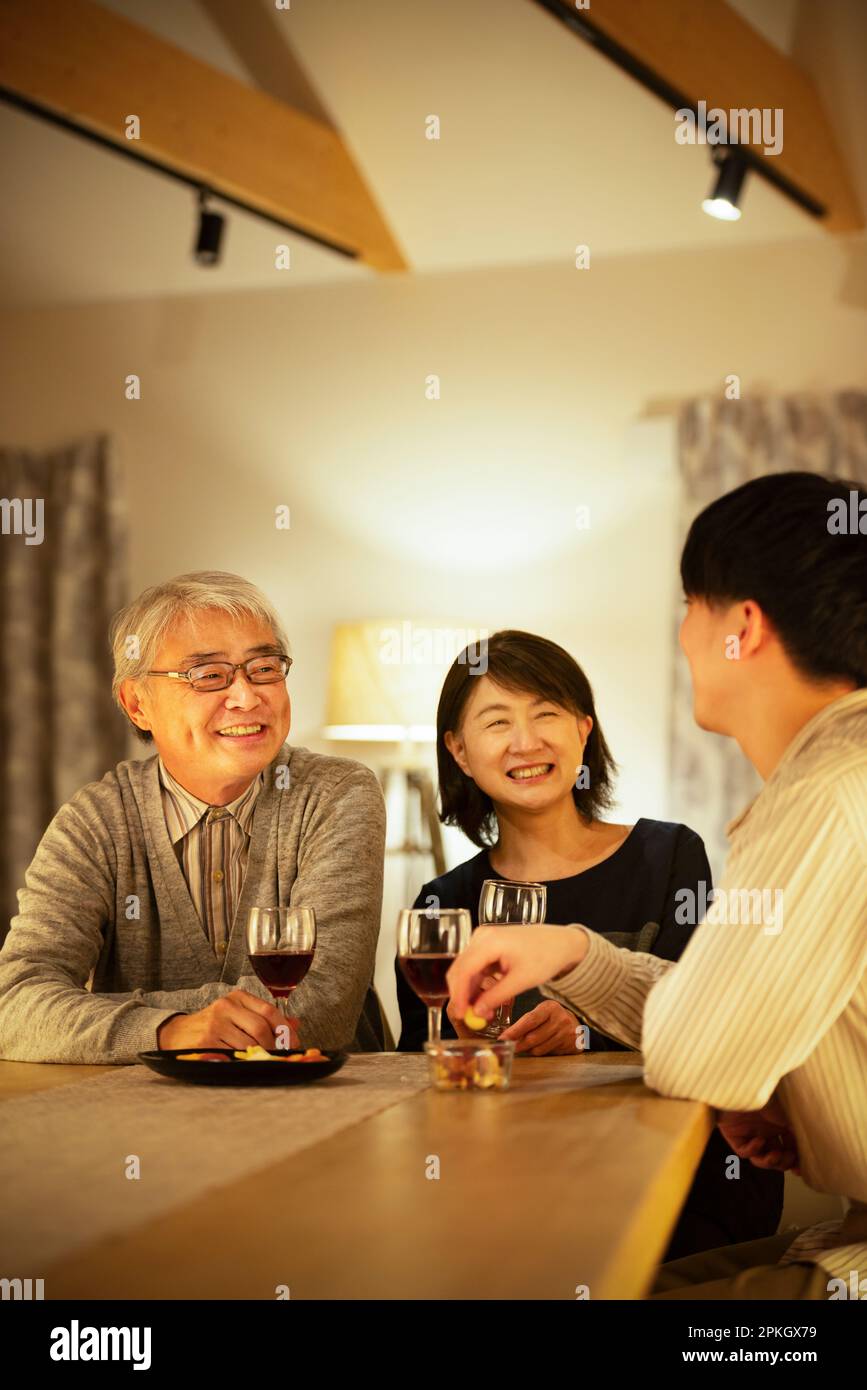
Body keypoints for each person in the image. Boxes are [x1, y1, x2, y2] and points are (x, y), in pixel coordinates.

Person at [447, 472, 867, 1299]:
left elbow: (700, 1050)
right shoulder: (827, 779)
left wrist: (742, 1075)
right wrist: (573, 951)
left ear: (741, 626)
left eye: (689, 605)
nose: (681, 634)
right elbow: (723, 1017)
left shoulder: (826, 797)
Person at [397, 629, 782, 1259]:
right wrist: (464, 1046)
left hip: (663, 1183)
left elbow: (704, 1021)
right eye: (497, 722)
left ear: (583, 730)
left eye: (546, 713)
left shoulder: (668, 856)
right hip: (500, 1186)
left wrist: (583, 1035)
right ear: (460, 752)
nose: (527, 741)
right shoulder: (442, 905)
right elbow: (419, 1069)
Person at [0, 571, 386, 1063]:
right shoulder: (95, 821)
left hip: (324, 1107)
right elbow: (14, 1005)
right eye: (208, 676)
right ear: (137, 703)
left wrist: (101, 1014)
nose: (246, 697)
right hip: (145, 1124)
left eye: (264, 668)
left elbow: (320, 1007)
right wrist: (169, 1030)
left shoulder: (335, 794)